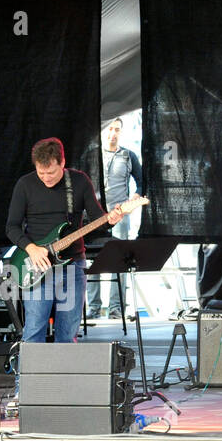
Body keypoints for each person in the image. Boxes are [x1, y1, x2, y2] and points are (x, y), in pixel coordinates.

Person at [6, 138, 124, 345]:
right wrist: (31, 248)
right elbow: (11, 227)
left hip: (72, 266)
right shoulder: (25, 184)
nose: (46, 178)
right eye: (41, 173)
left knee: (68, 333)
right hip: (37, 266)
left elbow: (99, 218)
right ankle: (27, 378)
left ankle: (65, 378)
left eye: (50, 172)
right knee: (34, 329)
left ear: (62, 163)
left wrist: (111, 220)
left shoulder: (79, 181)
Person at [85, 117, 144, 320]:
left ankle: (116, 308)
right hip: (95, 216)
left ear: (121, 132)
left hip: (120, 215)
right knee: (92, 260)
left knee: (118, 260)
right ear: (103, 131)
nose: (113, 133)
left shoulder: (128, 156)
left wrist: (133, 199)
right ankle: (93, 307)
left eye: (117, 129)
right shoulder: (93, 155)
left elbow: (142, 182)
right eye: (110, 129)